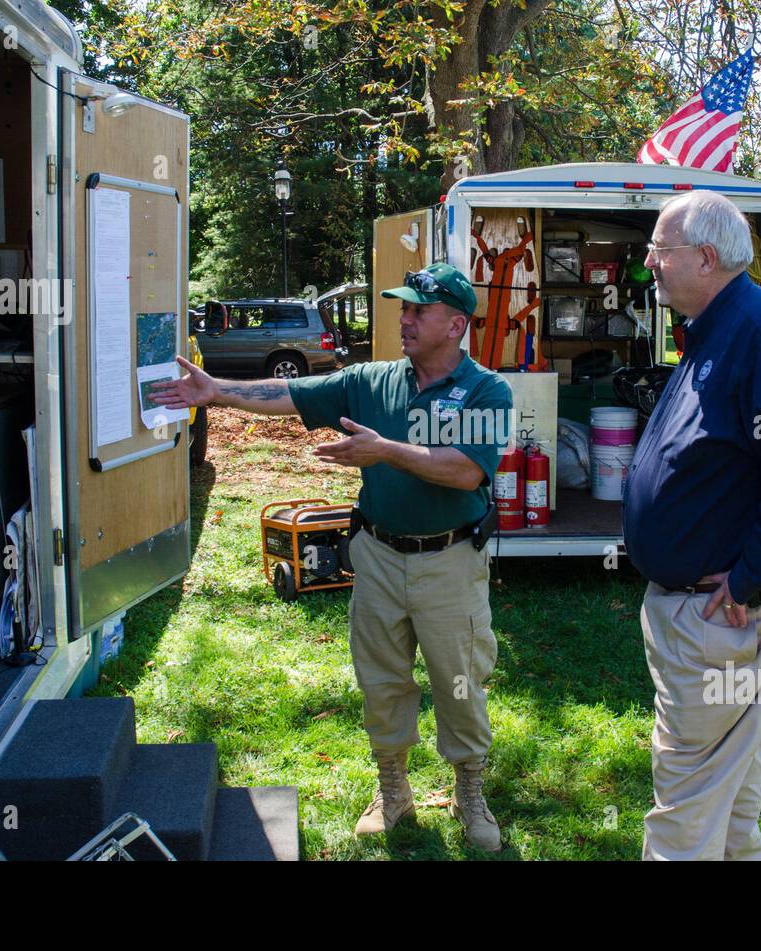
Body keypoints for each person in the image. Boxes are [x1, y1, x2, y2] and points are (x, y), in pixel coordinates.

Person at [152, 263, 513, 852]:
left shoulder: (486, 390)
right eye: (403, 308)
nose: (405, 318)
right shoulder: (372, 381)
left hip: (449, 561)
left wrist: (384, 451)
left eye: (418, 311)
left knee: (460, 681)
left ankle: (470, 791)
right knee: (382, 678)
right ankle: (393, 790)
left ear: (456, 324)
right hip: (378, 555)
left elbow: (468, 469)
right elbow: (291, 394)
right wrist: (216, 391)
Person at [623, 191, 761, 860]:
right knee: (732, 789)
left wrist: (755, 572)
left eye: (658, 250)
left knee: (686, 801)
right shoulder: (718, 325)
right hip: (705, 609)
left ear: (704, 256)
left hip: (720, 609)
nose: (649, 262)